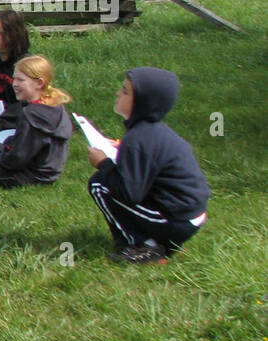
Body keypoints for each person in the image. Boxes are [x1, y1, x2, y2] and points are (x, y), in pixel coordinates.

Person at [87, 67, 210, 264]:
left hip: (177, 219)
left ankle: (143, 246)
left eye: (126, 91)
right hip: (188, 214)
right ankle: (158, 242)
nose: (119, 93)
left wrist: (103, 163)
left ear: (143, 103)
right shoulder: (151, 132)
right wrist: (120, 148)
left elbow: (128, 192)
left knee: (99, 184)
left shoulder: (139, 139)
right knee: (105, 181)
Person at [0, 55, 72, 187]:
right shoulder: (55, 106)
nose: (14, 84)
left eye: (21, 80)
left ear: (39, 83)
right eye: (15, 78)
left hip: (28, 175)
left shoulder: (32, 115)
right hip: (45, 171)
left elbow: (15, 160)